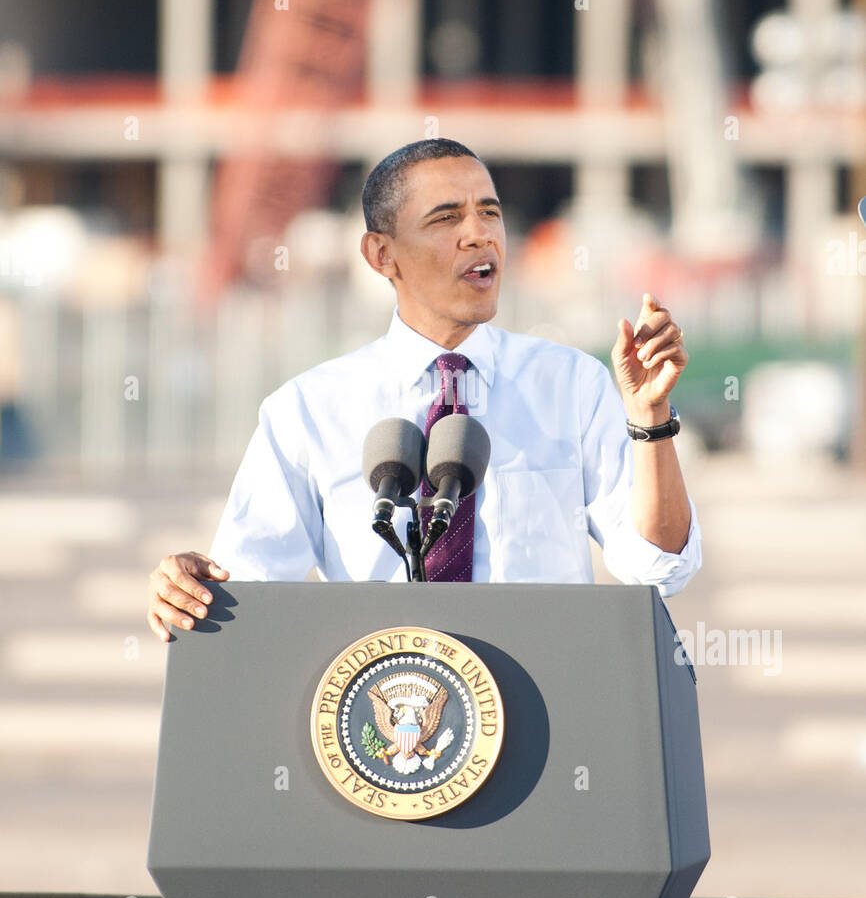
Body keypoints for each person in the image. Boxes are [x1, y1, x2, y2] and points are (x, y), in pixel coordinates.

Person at [147, 139, 700, 642]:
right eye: (446, 217)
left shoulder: (572, 384)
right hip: (382, 707)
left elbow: (659, 567)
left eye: (490, 212)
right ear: (381, 255)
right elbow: (249, 587)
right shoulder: (307, 410)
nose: (479, 234)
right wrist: (187, 588)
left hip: (546, 702)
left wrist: (651, 418)